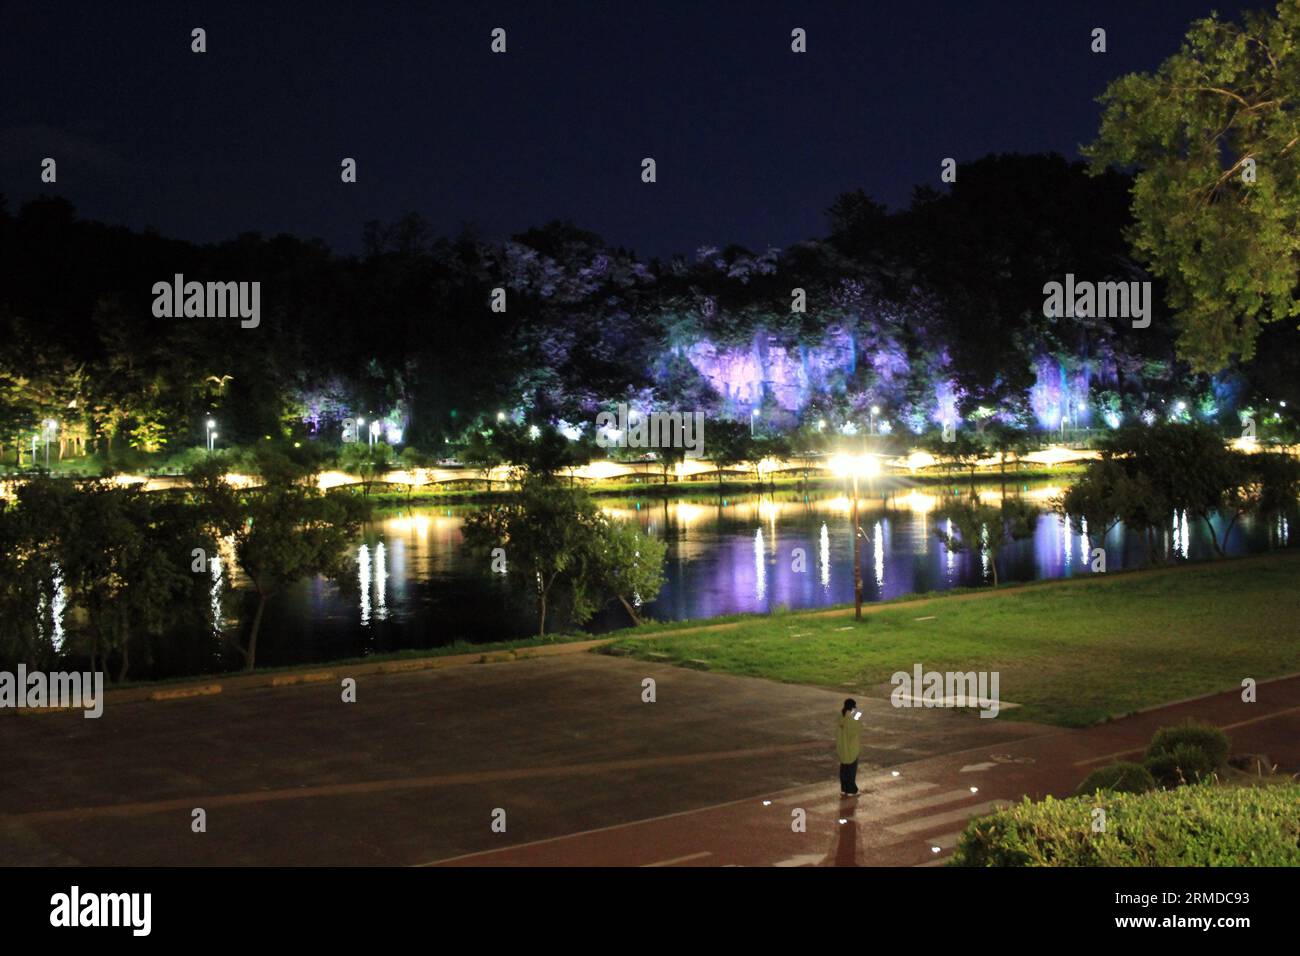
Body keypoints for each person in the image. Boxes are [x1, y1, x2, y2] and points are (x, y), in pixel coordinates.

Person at [837, 698, 862, 796]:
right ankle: (851, 789)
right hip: (851, 749)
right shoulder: (852, 718)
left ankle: (844, 788)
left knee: (843, 769)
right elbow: (858, 729)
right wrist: (857, 715)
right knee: (851, 770)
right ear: (853, 707)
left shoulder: (840, 716)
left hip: (842, 747)